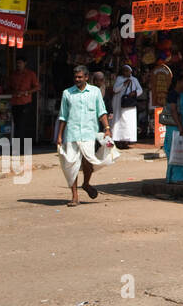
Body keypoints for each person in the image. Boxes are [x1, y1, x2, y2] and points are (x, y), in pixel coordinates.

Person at [56, 65, 114, 207]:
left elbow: (102, 112)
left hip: (89, 133)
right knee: (72, 165)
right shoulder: (67, 93)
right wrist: (59, 136)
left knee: (88, 162)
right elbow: (63, 116)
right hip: (72, 134)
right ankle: (74, 196)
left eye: (80, 77)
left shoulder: (95, 92)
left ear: (87, 77)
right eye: (76, 77)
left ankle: (86, 184)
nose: (77, 79)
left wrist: (107, 128)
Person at [164, 77, 183, 184]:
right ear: (178, 82)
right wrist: (180, 126)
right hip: (176, 127)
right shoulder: (173, 94)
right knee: (176, 152)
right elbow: (173, 111)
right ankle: (176, 177)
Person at [110, 64, 143, 148]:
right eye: (124, 70)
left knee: (129, 122)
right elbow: (115, 89)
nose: (125, 72)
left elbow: (140, 90)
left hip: (130, 104)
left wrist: (134, 93)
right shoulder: (119, 79)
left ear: (130, 71)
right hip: (119, 103)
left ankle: (126, 141)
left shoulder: (134, 80)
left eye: (127, 70)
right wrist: (124, 84)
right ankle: (118, 139)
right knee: (119, 121)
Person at [8, 57, 39, 143]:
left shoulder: (30, 74)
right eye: (17, 63)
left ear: (25, 63)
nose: (18, 65)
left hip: (25, 102)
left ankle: (21, 147)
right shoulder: (13, 74)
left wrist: (27, 92)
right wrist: (14, 92)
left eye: (20, 63)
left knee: (22, 124)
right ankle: (17, 147)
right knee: (16, 124)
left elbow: (37, 87)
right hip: (15, 102)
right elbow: (8, 87)